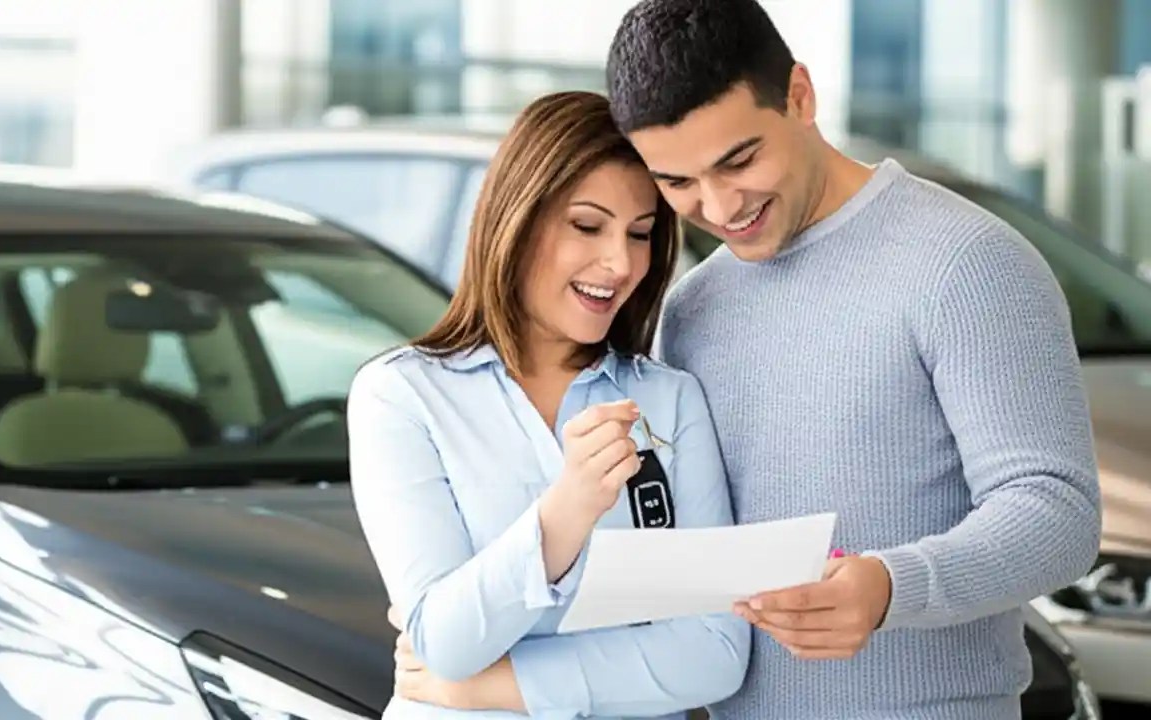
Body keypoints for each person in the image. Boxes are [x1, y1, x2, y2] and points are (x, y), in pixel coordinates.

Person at [604, 0, 1103, 718]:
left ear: (801, 97)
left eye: (739, 159)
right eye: (678, 183)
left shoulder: (965, 264)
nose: (718, 206)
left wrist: (892, 587)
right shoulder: (691, 309)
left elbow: (1057, 514)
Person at [347, 90, 750, 719]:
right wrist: (568, 510)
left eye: (640, 234)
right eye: (588, 225)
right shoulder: (401, 396)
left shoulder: (669, 400)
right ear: (518, 217)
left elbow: (714, 652)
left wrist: (495, 685)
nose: (620, 263)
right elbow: (447, 641)